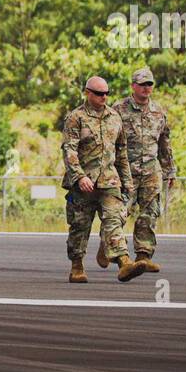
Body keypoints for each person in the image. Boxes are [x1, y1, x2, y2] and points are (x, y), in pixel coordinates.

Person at [61, 76, 149, 283]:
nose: (104, 97)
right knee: (79, 227)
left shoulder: (115, 117)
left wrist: (128, 185)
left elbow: (122, 153)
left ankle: (124, 263)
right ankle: (77, 266)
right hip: (83, 184)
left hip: (110, 182)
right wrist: (79, 176)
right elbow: (69, 150)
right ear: (88, 93)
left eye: (107, 93)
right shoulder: (76, 117)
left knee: (113, 220)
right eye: (99, 93)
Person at [103, 67, 175, 273]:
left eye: (149, 84)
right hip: (124, 170)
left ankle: (143, 255)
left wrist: (169, 170)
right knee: (119, 212)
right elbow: (108, 140)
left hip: (151, 171)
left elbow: (164, 143)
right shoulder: (118, 109)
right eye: (142, 84)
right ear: (133, 86)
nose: (146, 88)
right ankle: (108, 245)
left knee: (149, 214)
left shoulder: (158, 112)